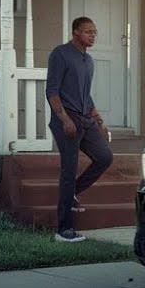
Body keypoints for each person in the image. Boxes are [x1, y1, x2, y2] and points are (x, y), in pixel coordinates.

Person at [45, 16, 113, 242]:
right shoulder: (60, 54)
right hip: (68, 120)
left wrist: (99, 121)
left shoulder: (89, 60)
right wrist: (64, 119)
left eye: (95, 32)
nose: (92, 36)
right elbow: (52, 92)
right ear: (75, 33)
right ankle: (63, 230)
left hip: (86, 119)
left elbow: (86, 94)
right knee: (69, 168)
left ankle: (71, 192)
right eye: (88, 32)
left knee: (104, 157)